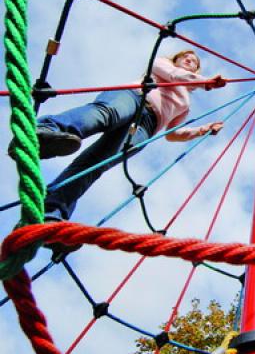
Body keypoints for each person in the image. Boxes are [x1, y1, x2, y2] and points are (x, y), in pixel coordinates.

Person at [9, 49, 226, 235]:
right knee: (106, 114)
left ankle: (51, 213)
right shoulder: (163, 65)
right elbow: (173, 74)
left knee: (94, 165)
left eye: (195, 62)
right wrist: (204, 82)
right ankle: (45, 131)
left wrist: (202, 130)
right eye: (186, 57)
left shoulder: (185, 103)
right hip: (134, 96)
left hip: (148, 126)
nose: (190, 60)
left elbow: (172, 133)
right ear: (177, 60)